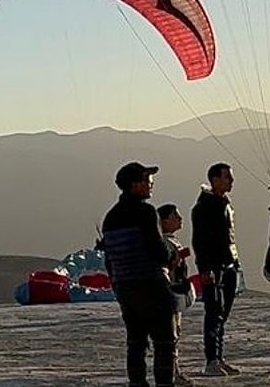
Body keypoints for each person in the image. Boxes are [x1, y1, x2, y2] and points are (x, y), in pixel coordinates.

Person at [100, 161, 177, 387]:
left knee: (136, 343)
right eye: (147, 180)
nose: (151, 184)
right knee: (164, 343)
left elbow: (109, 259)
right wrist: (172, 252)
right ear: (135, 185)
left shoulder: (110, 217)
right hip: (151, 285)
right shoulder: (146, 212)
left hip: (125, 288)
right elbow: (158, 250)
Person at [191, 162, 242, 377]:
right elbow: (199, 241)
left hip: (229, 264)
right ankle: (211, 360)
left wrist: (235, 263)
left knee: (223, 314)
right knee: (214, 313)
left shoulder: (224, 204)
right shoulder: (204, 207)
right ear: (215, 179)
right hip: (214, 268)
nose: (231, 181)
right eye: (227, 177)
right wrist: (205, 268)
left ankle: (219, 358)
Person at [158, 203, 196, 386]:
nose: (180, 218)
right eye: (175, 215)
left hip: (177, 290)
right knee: (171, 334)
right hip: (169, 292)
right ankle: (172, 372)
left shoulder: (172, 241)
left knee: (176, 333)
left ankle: (175, 370)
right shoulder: (164, 243)